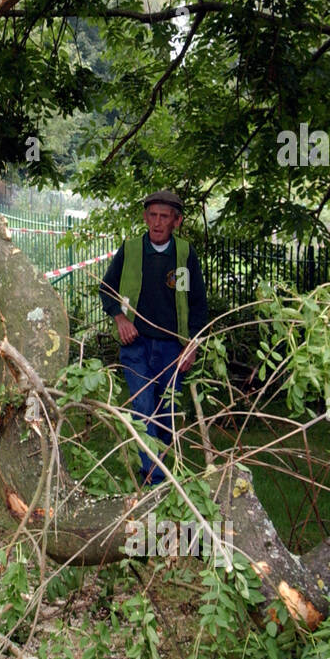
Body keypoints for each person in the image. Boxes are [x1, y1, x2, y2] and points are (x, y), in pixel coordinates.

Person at [99, 189, 207, 485]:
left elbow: (197, 303)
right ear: (146, 217)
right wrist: (120, 318)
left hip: (173, 349)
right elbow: (106, 288)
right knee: (143, 408)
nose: (157, 223)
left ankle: (152, 466)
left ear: (177, 221)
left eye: (164, 217)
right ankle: (157, 481)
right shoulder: (132, 250)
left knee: (166, 415)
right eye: (153, 215)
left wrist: (193, 344)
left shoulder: (184, 254)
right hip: (136, 347)